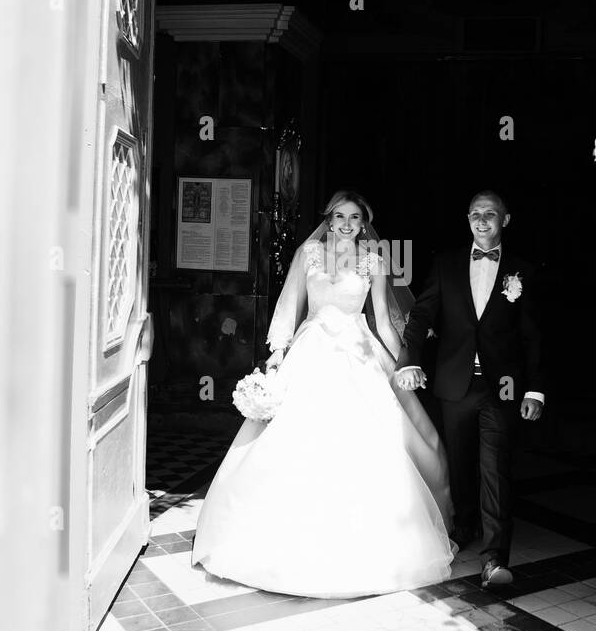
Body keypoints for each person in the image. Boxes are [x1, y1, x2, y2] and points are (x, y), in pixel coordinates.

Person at [191, 191, 455, 598]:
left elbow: (383, 320)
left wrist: (402, 361)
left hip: (358, 353)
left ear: (364, 223)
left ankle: (361, 541)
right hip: (310, 349)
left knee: (367, 443)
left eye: (355, 217)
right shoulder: (309, 254)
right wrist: (277, 355)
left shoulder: (374, 261)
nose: (347, 224)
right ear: (329, 220)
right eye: (339, 216)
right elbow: (289, 306)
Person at [395, 190, 544, 589]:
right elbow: (421, 312)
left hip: (503, 387)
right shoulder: (445, 264)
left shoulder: (522, 270)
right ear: (467, 219)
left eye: (490, 214)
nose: (482, 221)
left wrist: (535, 390)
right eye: (475, 214)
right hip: (453, 382)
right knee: (459, 462)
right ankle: (463, 527)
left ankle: (495, 559)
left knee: (495, 469)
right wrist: (408, 359)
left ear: (505, 221)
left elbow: (533, 336)